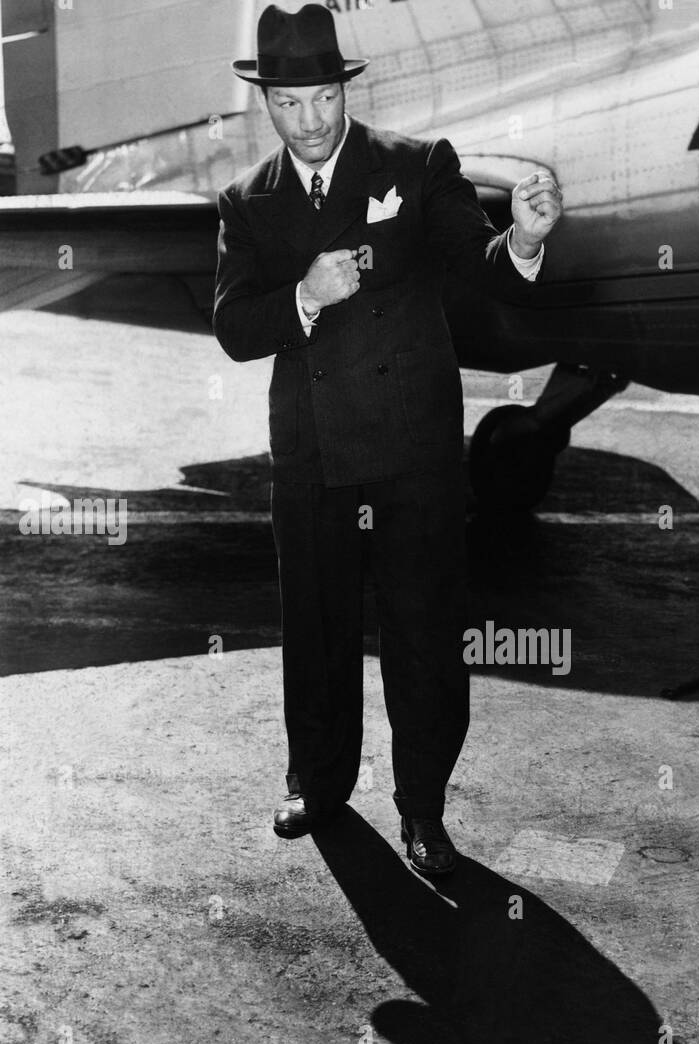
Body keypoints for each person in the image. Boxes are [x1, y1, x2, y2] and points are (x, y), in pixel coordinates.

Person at [214, 4, 562, 876]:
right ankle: (320, 787)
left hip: (412, 456)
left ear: (343, 88)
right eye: (290, 106)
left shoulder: (415, 165)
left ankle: (425, 814)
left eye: (323, 98)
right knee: (318, 633)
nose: (311, 121)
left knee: (425, 637)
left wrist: (520, 240)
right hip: (314, 457)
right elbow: (232, 326)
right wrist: (304, 295)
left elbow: (478, 265)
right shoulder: (247, 204)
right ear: (268, 106)